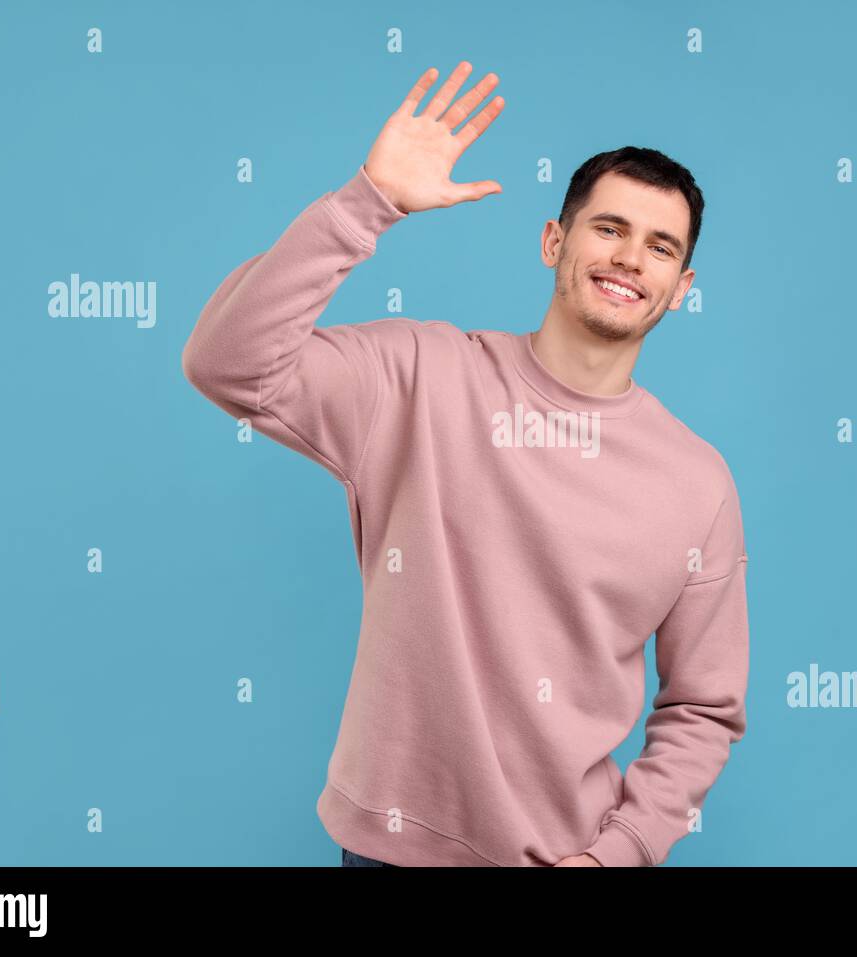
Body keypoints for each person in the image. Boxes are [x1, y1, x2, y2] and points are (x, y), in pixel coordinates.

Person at [182, 61, 750, 867]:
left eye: (660, 247)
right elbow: (227, 363)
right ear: (555, 240)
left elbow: (703, 706)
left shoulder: (699, 483)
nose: (631, 259)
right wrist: (365, 202)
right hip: (385, 852)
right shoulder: (421, 374)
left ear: (680, 286)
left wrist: (618, 855)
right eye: (609, 228)